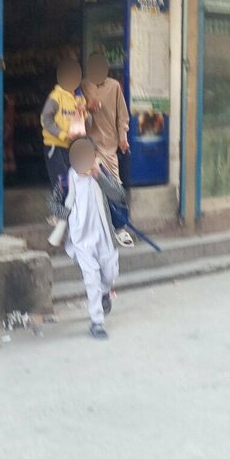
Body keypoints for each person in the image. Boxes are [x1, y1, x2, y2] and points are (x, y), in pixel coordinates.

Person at [62, 137, 127, 340]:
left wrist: (100, 176)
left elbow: (119, 195)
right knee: (91, 278)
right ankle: (97, 321)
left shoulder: (102, 172)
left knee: (109, 273)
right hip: (81, 238)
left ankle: (105, 292)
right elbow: (55, 202)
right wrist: (61, 216)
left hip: (103, 234)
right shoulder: (67, 179)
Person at [81, 52, 133, 247]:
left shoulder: (114, 86)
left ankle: (120, 228)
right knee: (88, 187)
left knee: (115, 187)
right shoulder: (83, 86)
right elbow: (76, 111)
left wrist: (123, 137)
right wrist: (88, 107)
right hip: (89, 146)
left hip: (109, 146)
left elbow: (122, 116)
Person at [40, 59, 88, 197]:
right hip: (55, 146)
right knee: (61, 184)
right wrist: (63, 134)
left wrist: (84, 112)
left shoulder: (79, 98)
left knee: (73, 183)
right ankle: (59, 209)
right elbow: (45, 120)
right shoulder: (56, 97)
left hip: (73, 147)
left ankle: (69, 210)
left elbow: (87, 120)